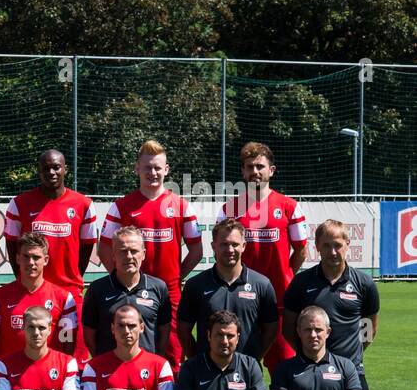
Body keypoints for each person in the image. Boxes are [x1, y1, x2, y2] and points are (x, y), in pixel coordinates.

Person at [98, 140, 202, 366]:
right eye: (147, 167)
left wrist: (176, 278)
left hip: (169, 293)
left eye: (157, 167)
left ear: (166, 170)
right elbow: (104, 247)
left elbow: (196, 249)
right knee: (126, 349)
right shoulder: (122, 206)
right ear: (137, 168)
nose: (153, 172)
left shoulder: (182, 205)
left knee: (171, 355)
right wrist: (119, 277)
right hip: (129, 291)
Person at [2, 149, 97, 355]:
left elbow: (87, 247)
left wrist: (72, 275)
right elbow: (12, 246)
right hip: (32, 293)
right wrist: (23, 278)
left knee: (72, 355)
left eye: (56, 167)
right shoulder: (19, 204)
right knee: (30, 355)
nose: (51, 172)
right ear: (39, 171)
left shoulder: (83, 204)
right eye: (46, 168)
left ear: (65, 169)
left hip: (69, 291)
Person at [221, 141, 307, 367]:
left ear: (272, 170)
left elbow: (301, 250)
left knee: (284, 369)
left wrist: (284, 274)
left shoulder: (289, 206)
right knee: (236, 367)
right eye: (249, 167)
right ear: (243, 171)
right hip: (240, 302)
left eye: (260, 166)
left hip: (279, 302)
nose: (255, 172)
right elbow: (223, 249)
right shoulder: (229, 209)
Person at [283, 219, 380, 390]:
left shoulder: (365, 284)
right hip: (309, 370)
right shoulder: (302, 282)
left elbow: (369, 330)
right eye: (326, 246)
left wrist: (351, 355)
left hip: (351, 372)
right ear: (317, 247)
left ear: (347, 245)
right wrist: (309, 353)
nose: (333, 252)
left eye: (337, 245)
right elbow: (288, 329)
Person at [177, 218, 278, 361]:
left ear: (244, 246)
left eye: (235, 244)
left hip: (246, 375)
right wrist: (197, 362)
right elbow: (183, 329)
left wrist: (253, 359)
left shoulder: (262, 284)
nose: (230, 250)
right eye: (224, 244)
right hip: (206, 373)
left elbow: (271, 329)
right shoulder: (196, 285)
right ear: (213, 246)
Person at [0, 232, 76, 362]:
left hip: (50, 374)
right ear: (17, 258)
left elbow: (68, 342)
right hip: (11, 377)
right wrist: (6, 365)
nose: (31, 262)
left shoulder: (63, 298)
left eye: (36, 257)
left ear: (46, 260)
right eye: (26, 256)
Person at [82, 227, 172, 358]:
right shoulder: (97, 289)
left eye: (134, 251)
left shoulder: (159, 287)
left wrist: (155, 361)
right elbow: (89, 334)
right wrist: (103, 362)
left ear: (144, 254)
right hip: (110, 372)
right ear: (113, 255)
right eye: (123, 251)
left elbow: (164, 333)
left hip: (146, 371)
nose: (129, 256)